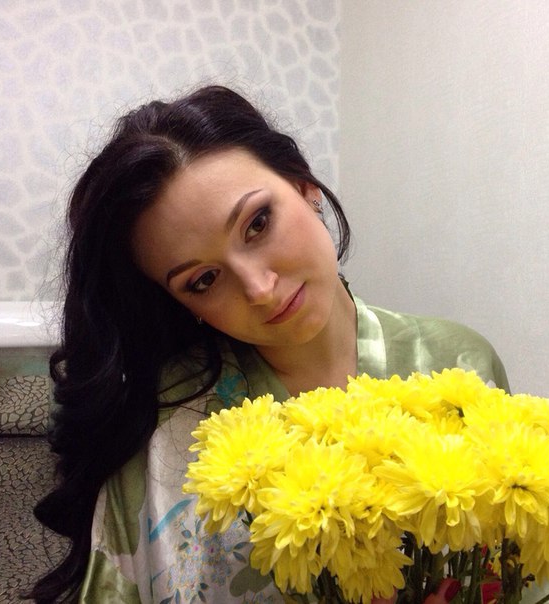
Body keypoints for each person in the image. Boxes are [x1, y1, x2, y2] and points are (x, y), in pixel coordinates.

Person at [28, 85, 509, 603]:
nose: (259, 289)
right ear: (181, 303)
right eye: (203, 280)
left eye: (258, 223)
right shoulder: (163, 422)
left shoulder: (461, 364)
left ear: (304, 185)